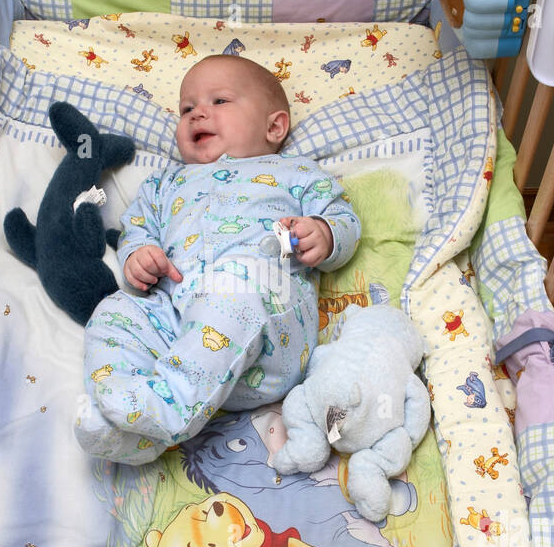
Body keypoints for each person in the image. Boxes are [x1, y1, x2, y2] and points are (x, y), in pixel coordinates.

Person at [75, 53, 361, 465]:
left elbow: (345, 219)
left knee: (233, 286)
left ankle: (169, 408)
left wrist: (324, 232)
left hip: (264, 334)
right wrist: (139, 255)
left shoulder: (295, 172)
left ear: (274, 126)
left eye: (219, 102)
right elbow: (136, 228)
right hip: (176, 322)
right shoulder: (164, 183)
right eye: (187, 108)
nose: (197, 115)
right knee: (115, 311)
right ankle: (126, 422)